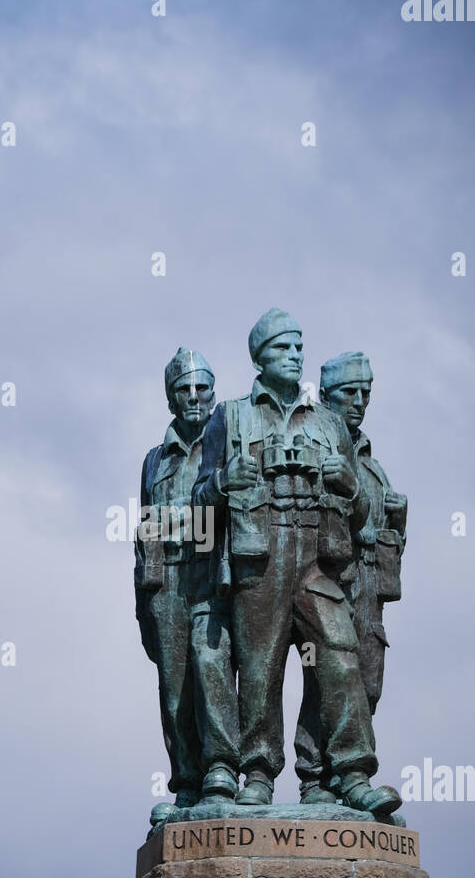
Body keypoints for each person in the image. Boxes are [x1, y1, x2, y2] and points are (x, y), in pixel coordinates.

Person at [193, 309, 401, 815]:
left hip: (317, 560)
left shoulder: (331, 424)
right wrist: (223, 482)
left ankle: (350, 772)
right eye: (284, 348)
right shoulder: (232, 415)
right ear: (259, 358)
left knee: (339, 656)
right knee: (260, 670)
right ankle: (258, 772)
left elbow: (364, 512)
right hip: (258, 558)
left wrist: (349, 485)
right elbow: (197, 503)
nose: (295, 355)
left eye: (299, 347)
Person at [135, 349, 240, 810]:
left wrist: (177, 518)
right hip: (165, 582)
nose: (195, 397)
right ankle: (187, 784)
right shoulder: (155, 460)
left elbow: (225, 509)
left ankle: (222, 768)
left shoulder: (227, 443)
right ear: (170, 397)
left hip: (211, 572)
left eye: (202, 387)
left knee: (210, 662)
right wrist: (143, 606)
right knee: (174, 685)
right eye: (184, 389)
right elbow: (144, 531)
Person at [320, 352, 407, 714]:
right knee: (329, 678)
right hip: (330, 581)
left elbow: (392, 545)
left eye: (365, 393)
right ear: (327, 395)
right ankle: (317, 768)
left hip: (370, 593)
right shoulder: (319, 456)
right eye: (349, 392)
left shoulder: (374, 470)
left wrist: (399, 520)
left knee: (368, 684)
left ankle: (352, 767)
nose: (359, 402)